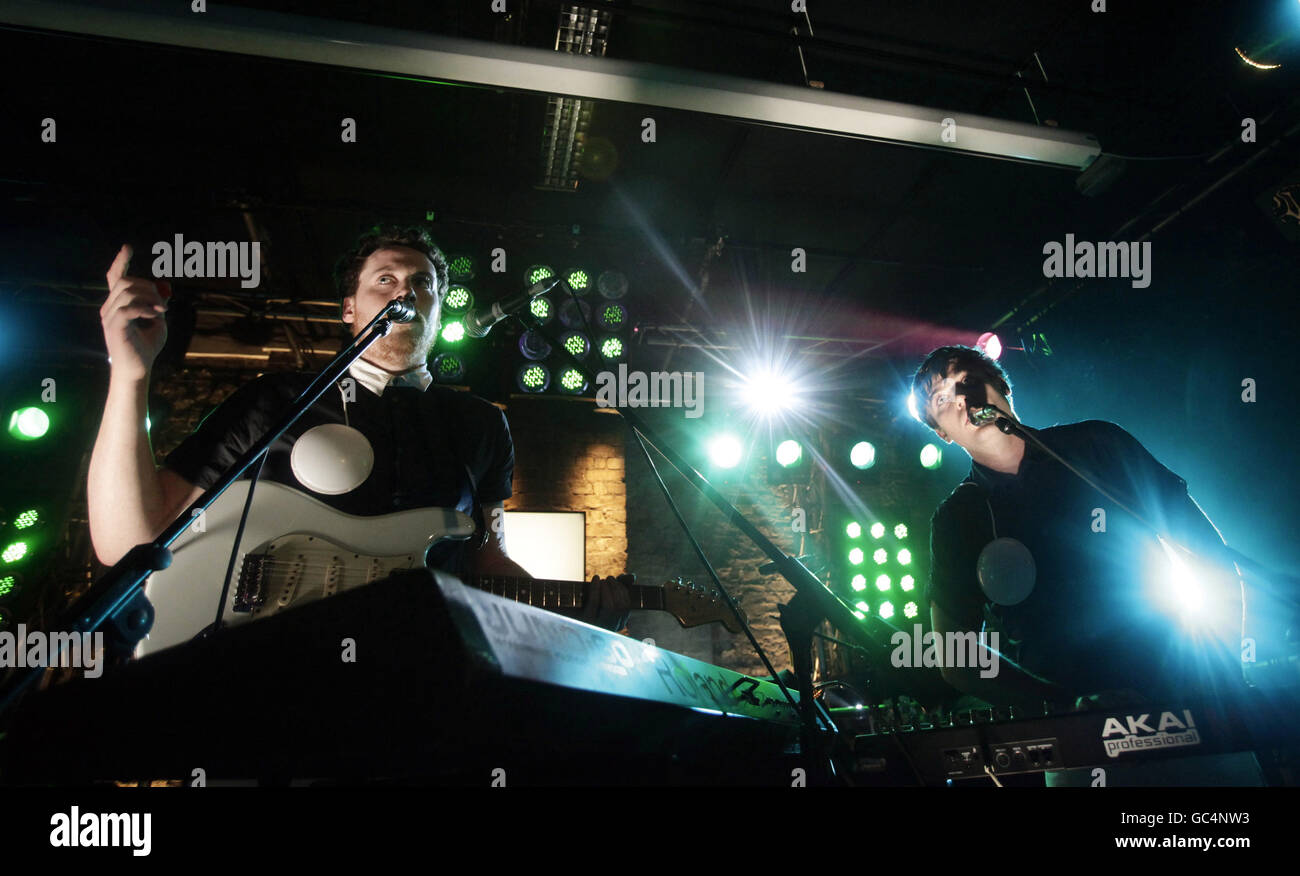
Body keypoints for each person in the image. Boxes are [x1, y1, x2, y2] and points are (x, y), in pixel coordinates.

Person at [87, 224, 630, 632]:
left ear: (437, 311)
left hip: (417, 678)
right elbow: (129, 542)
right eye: (385, 280)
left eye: (422, 284)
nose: (405, 293)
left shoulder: (481, 423)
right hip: (268, 671)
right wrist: (131, 376)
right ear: (350, 308)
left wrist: (575, 613)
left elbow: (486, 557)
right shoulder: (275, 400)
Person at [911, 345, 1262, 785]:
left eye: (966, 380)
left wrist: (1229, 671)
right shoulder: (959, 518)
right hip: (1078, 744)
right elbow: (954, 654)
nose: (961, 398)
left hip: (1193, 703)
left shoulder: (1097, 444)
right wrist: (1069, 703)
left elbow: (1210, 553)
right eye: (941, 399)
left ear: (1002, 386)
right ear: (941, 432)